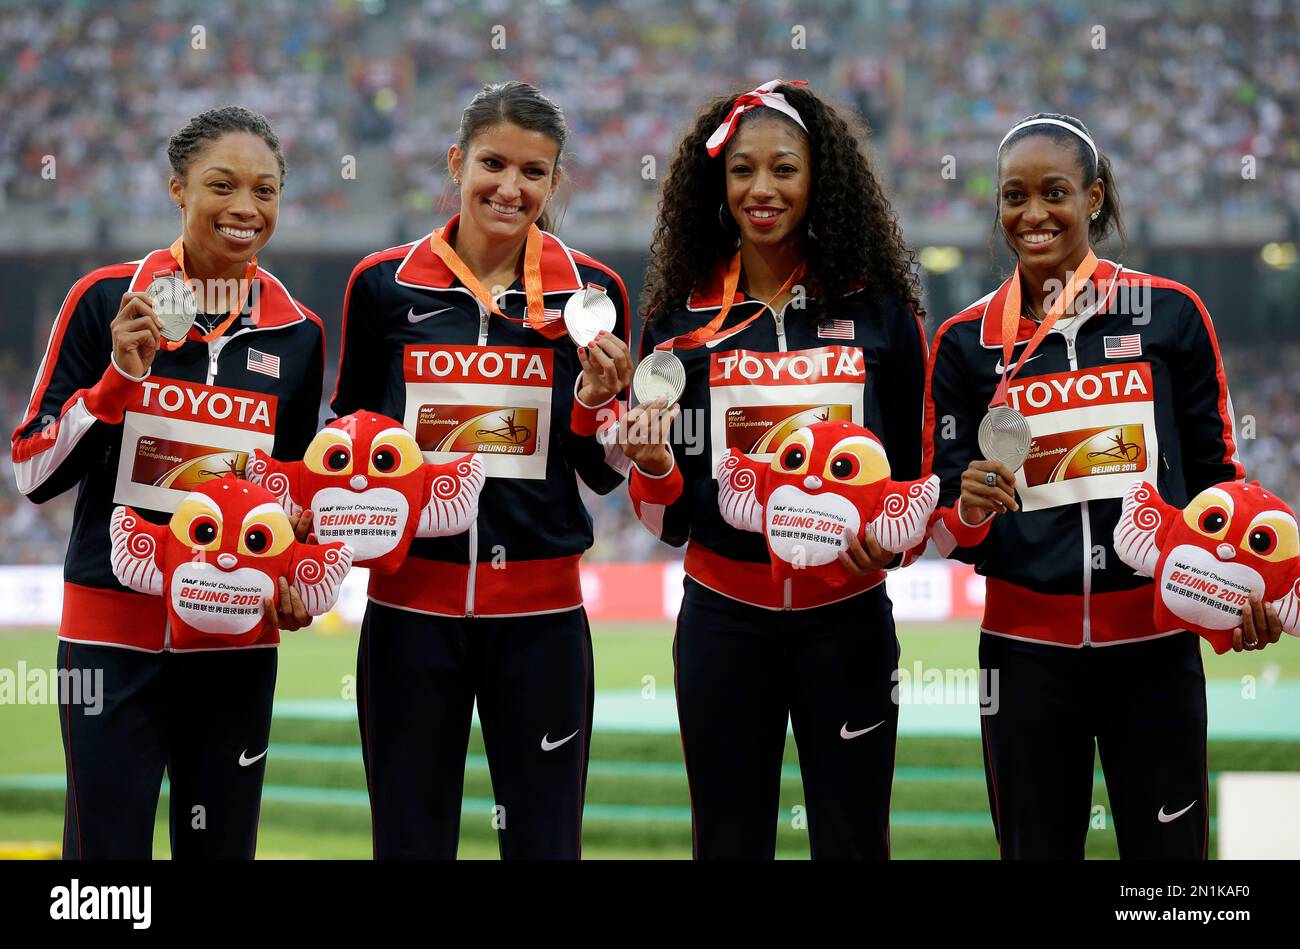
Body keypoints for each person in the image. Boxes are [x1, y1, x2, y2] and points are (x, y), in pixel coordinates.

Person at [926, 112, 1277, 860]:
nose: (1033, 213)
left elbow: (1219, 484)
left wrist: (1243, 589)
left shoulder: (1171, 315)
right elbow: (944, 524)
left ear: (1094, 196)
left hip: (1154, 648)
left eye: (1055, 191)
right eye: (1013, 196)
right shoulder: (963, 342)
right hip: (1023, 657)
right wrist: (969, 508)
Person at [10, 105, 326, 859]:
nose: (246, 209)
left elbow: (286, 498)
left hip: (235, 642)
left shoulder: (299, 334)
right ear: (177, 188)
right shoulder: (104, 300)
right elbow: (31, 469)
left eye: (266, 191)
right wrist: (117, 380)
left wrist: (294, 579)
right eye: (223, 185)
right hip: (108, 636)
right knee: (104, 862)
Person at [622, 80, 927, 859]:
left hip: (850, 621)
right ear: (717, 185)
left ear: (819, 176)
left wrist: (891, 542)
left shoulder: (882, 309)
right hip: (724, 624)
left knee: (856, 841)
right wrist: (653, 466)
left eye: (785, 169)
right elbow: (671, 519)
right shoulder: (680, 320)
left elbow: (919, 472)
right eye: (743, 171)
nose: (763, 189)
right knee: (727, 842)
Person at [331, 81, 633, 859]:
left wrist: (595, 403)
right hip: (408, 614)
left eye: (534, 172)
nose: (512, 187)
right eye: (494, 164)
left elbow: (600, 473)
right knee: (408, 840)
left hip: (540, 619)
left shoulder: (592, 296)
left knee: (543, 844)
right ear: (458, 162)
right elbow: (349, 437)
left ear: (555, 181)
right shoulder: (381, 285)